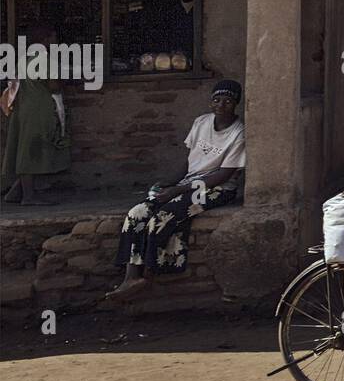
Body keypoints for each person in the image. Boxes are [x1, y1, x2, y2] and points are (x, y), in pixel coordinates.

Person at [105, 80, 246, 301]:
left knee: (163, 216)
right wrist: (170, 182)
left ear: (236, 103)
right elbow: (189, 161)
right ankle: (130, 276)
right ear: (210, 103)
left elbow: (224, 175)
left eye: (228, 101)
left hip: (217, 188)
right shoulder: (201, 123)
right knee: (137, 214)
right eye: (217, 100)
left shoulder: (239, 133)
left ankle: (149, 274)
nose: (221, 105)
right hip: (189, 182)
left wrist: (177, 191)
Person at [1, 25, 72, 205]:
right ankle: (29, 196)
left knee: (26, 149)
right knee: (32, 153)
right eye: (54, 38)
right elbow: (53, 85)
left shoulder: (23, 60)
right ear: (46, 40)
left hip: (23, 108)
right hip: (40, 109)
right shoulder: (46, 60)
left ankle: (16, 192)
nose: (56, 42)